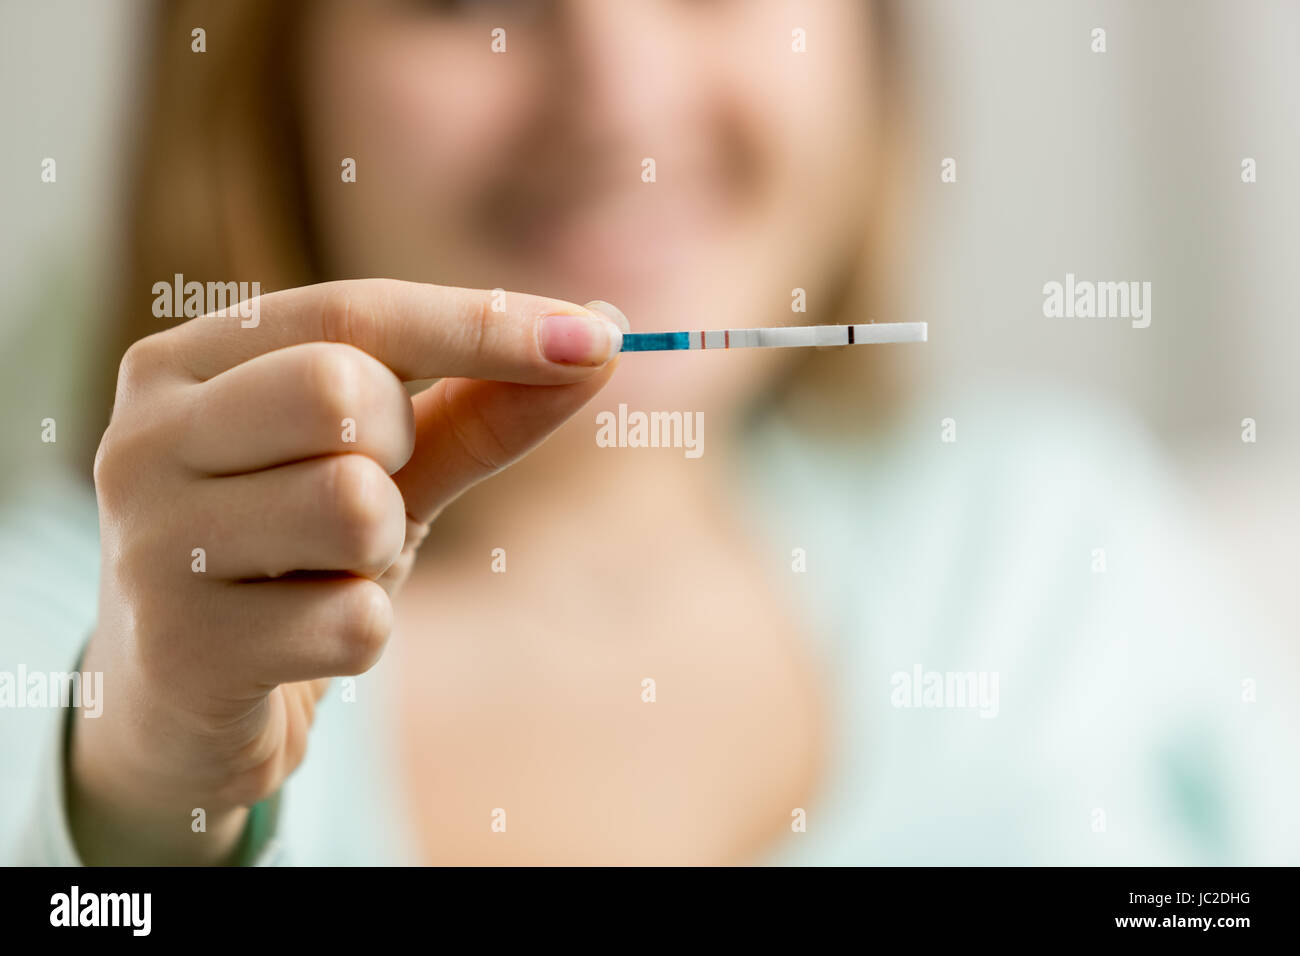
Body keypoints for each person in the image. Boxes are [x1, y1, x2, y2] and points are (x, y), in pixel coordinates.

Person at [2, 0, 1295, 866]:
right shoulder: (75, 627)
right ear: (268, 77)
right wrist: (142, 784)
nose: (620, 98)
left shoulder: (1060, 550)